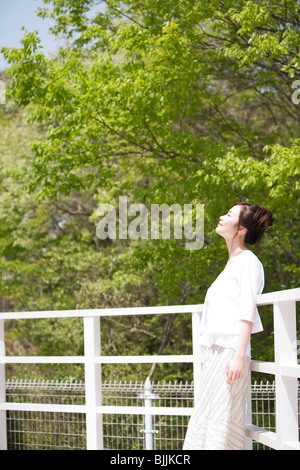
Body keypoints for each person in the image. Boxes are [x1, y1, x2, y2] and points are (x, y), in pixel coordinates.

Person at [183, 202, 274, 450]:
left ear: (241, 228)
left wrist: (238, 355)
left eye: (229, 214)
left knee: (220, 426)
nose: (222, 217)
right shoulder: (231, 264)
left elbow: (247, 312)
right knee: (206, 422)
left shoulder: (248, 262)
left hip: (229, 353)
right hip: (214, 353)